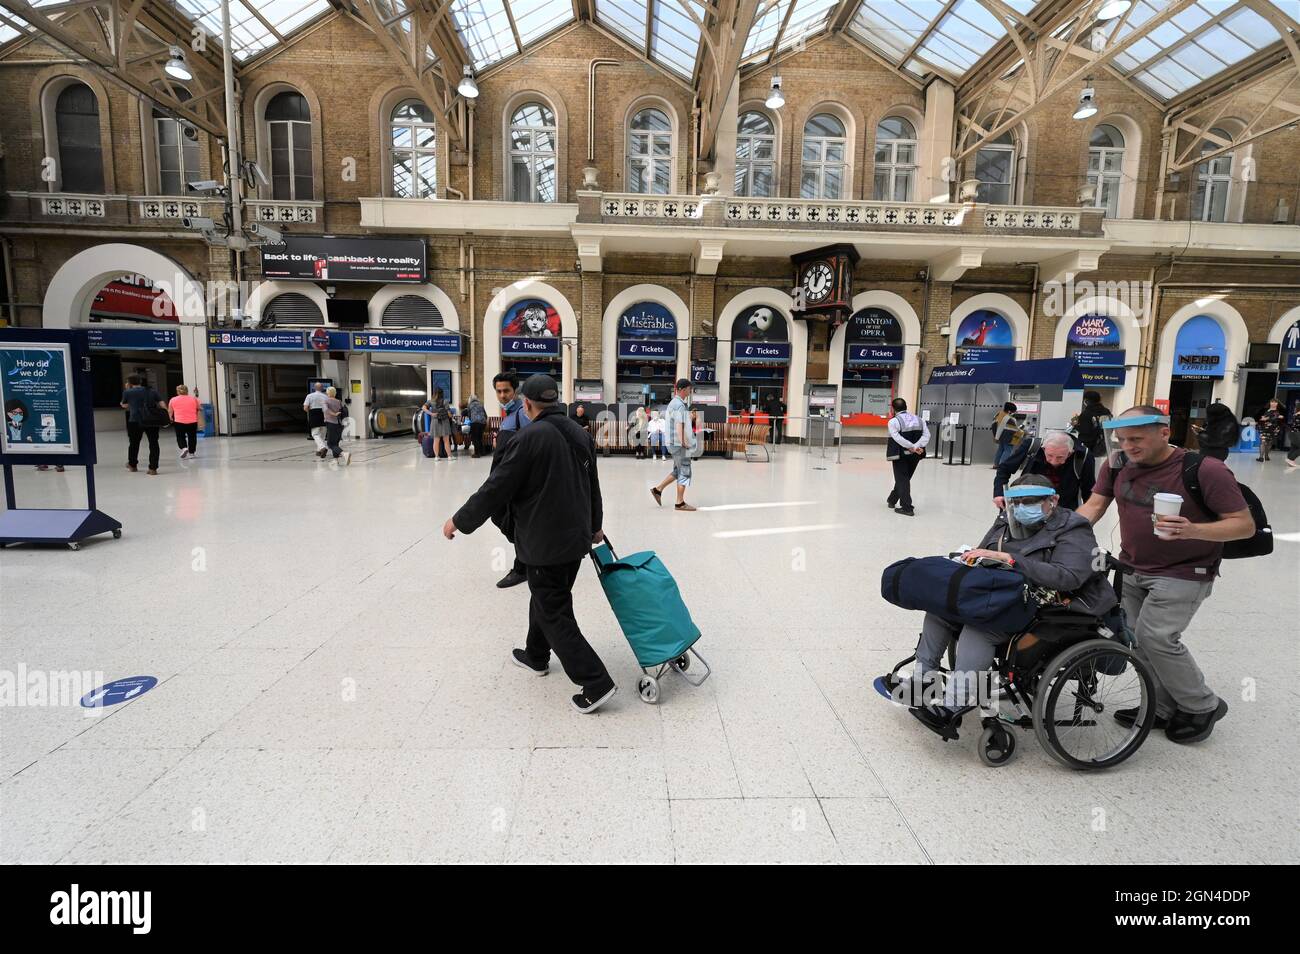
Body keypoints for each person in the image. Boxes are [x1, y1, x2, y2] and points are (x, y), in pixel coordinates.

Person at [1076, 406, 1255, 744]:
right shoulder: (1116, 465)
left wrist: (1193, 530)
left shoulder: (1205, 470)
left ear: (1164, 432)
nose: (1128, 446)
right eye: (1123, 439)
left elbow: (1243, 525)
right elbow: (1094, 506)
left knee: (1157, 637)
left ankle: (1202, 705)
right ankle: (1159, 706)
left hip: (1186, 571)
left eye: (1137, 439)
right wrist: (1056, 532)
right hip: (1132, 567)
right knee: (1136, 639)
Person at [443, 374, 616, 714]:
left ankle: (595, 681)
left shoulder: (529, 437)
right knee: (548, 595)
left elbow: (497, 488)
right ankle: (536, 655)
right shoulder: (579, 433)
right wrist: (595, 526)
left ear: (527, 404)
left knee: (554, 611)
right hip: (575, 539)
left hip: (544, 542)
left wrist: (459, 521)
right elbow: (592, 484)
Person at [902, 475, 1118, 732]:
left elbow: (1068, 577)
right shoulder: (1007, 518)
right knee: (941, 610)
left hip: (1053, 605)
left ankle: (953, 705)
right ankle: (923, 682)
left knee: (980, 625)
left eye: (1029, 502)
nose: (1020, 508)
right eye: (1015, 502)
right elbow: (985, 549)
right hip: (1007, 594)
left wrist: (1010, 559)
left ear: (1053, 500)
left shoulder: (1073, 527)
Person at [492, 372, 532, 588]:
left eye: (506, 391)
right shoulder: (509, 413)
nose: (502, 395)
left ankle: (522, 566)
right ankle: (525, 562)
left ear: (515, 390)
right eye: (498, 391)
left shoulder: (522, 413)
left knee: (510, 519)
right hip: (509, 477)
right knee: (508, 519)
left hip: (517, 479)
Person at [993, 430, 1095, 511]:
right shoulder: (1031, 446)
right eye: (1049, 455)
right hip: (1027, 504)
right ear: (1043, 448)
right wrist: (999, 493)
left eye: (1060, 457)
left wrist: (1087, 518)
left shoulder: (1084, 456)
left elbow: (1088, 490)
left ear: (1070, 453)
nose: (1054, 461)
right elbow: (1004, 469)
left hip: (1064, 509)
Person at [651, 378, 698, 512]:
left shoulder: (674, 403)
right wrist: (684, 442)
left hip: (672, 442)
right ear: (683, 390)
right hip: (678, 443)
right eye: (689, 389)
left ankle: (657, 490)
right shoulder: (679, 405)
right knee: (684, 470)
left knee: (678, 471)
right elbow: (679, 425)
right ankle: (680, 503)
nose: (690, 391)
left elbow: (678, 421)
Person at [885, 397, 929, 517]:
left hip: (901, 455)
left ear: (893, 409)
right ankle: (892, 500)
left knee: (902, 479)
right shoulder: (919, 419)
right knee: (904, 479)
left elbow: (897, 438)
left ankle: (907, 508)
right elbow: (927, 435)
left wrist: (911, 446)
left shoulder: (894, 421)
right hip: (916, 455)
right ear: (906, 407)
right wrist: (917, 447)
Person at [120, 374, 167, 475]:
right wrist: (166, 415)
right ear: (140, 381)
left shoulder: (128, 392)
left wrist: (129, 394)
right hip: (151, 420)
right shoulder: (152, 391)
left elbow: (124, 405)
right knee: (154, 443)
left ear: (129, 383)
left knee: (134, 443)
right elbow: (162, 404)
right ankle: (153, 468)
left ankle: (132, 465)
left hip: (135, 421)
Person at [1075, 390, 1112, 457]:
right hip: (1103, 444)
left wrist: (1075, 424)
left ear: (1086, 401)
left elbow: (1085, 430)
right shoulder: (1107, 411)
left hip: (1088, 446)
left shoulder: (1086, 413)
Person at [168, 384, 201, 460]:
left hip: (179, 421)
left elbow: (170, 411)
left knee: (180, 436)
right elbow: (199, 408)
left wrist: (170, 418)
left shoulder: (173, 399)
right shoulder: (194, 399)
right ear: (187, 391)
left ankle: (184, 448)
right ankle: (192, 453)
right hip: (192, 421)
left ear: (177, 391)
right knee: (192, 437)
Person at [991, 402, 1025, 468]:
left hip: (1000, 436)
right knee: (1008, 450)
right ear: (1009, 411)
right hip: (1008, 437)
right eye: (1014, 411)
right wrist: (1023, 431)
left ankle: (996, 464)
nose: (1014, 412)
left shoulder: (998, 414)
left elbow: (995, 425)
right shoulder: (1009, 418)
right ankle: (1002, 465)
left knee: (1000, 449)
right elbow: (1015, 429)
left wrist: (996, 436)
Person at [322, 386, 351, 466]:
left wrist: (333, 414)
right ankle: (336, 460)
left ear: (328, 392)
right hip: (339, 424)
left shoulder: (326, 401)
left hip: (331, 424)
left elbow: (325, 410)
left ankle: (344, 454)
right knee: (336, 443)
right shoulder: (339, 401)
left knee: (330, 444)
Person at [303, 383, 331, 459]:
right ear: (322, 388)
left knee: (315, 434)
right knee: (322, 434)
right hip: (324, 415)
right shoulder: (326, 396)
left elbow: (305, 408)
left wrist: (311, 409)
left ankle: (322, 447)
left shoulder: (309, 396)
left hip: (314, 415)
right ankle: (319, 451)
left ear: (314, 388)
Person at [427, 388, 454, 460]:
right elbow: (449, 414)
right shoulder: (445, 401)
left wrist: (431, 413)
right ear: (442, 393)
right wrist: (451, 415)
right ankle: (449, 456)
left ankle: (436, 457)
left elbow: (423, 408)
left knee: (436, 440)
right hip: (444, 421)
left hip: (435, 422)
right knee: (446, 440)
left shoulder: (431, 401)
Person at [1256, 398, 1285, 462]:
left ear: (1277, 404)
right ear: (1270, 403)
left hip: (1273, 428)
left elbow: (1278, 417)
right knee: (1263, 442)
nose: (1273, 403)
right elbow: (1261, 417)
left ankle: (1266, 456)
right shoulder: (1266, 409)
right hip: (1264, 428)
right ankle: (1261, 457)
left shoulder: (1279, 410)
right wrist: (1263, 418)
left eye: (1275, 402)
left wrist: (1267, 418)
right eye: (1272, 402)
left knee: (1269, 443)